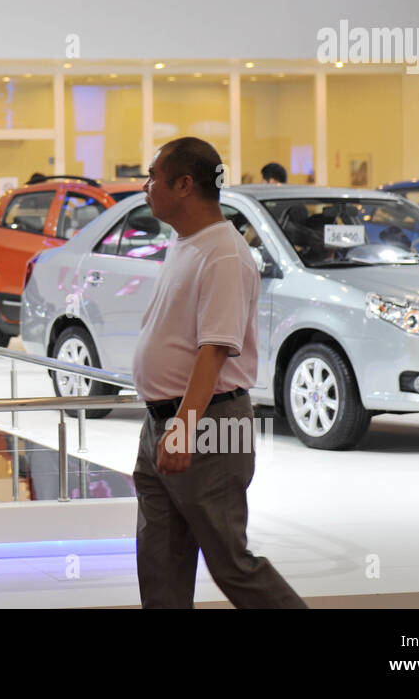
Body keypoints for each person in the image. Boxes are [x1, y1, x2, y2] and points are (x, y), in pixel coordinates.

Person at [132, 137, 305, 609]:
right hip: (164, 424)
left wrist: (184, 428)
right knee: (160, 562)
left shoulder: (224, 254)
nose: (146, 186)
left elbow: (215, 350)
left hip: (207, 426)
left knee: (232, 563)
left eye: (153, 177)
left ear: (184, 185)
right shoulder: (186, 241)